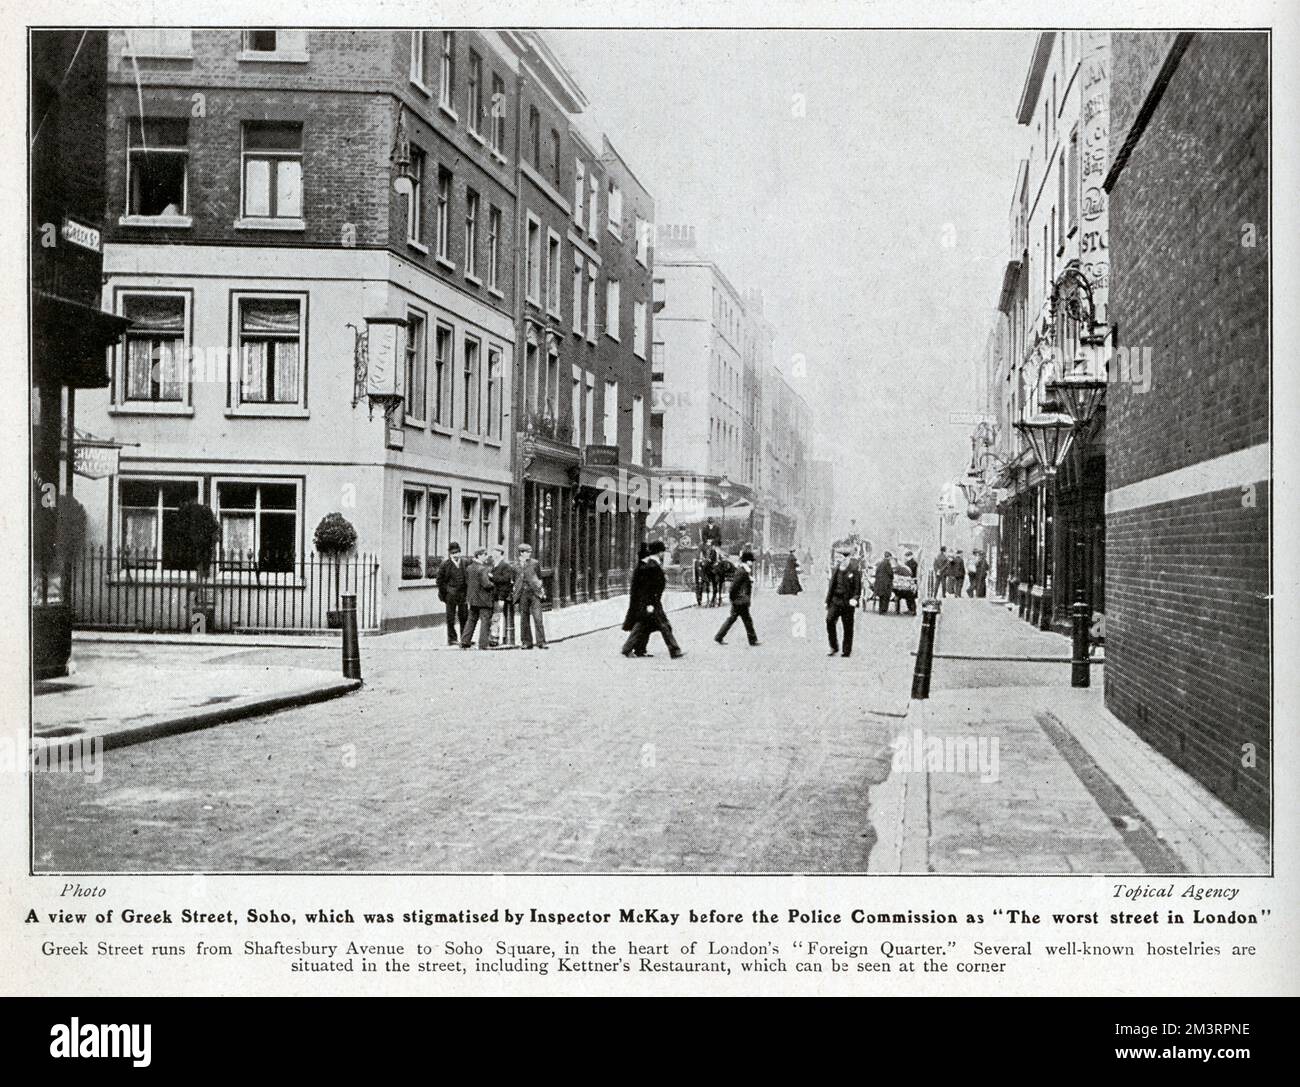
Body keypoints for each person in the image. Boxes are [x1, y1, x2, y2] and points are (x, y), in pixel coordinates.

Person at [621, 540, 685, 659]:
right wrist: (649, 604)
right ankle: (674, 650)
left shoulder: (650, 564)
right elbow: (648, 588)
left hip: (651, 601)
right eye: (662, 552)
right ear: (659, 552)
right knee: (663, 626)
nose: (663, 554)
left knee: (644, 625)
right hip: (652, 602)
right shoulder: (652, 566)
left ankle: (636, 649)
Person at [715, 549, 761, 647]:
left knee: (734, 619)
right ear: (747, 561)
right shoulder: (742, 571)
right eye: (751, 561)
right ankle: (752, 640)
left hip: (740, 600)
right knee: (746, 620)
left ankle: (719, 637)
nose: (752, 563)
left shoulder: (743, 571)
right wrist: (733, 599)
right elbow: (733, 587)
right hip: (740, 601)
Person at [825, 546, 861, 657]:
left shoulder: (854, 570)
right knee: (829, 620)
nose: (837, 559)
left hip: (847, 602)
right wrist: (827, 601)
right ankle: (833, 647)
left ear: (847, 558)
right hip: (835, 601)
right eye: (837, 557)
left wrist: (854, 599)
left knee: (848, 626)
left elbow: (857, 588)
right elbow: (831, 586)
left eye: (840, 557)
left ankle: (846, 650)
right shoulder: (836, 569)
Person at [458, 547, 496, 649]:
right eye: (484, 554)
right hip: (484, 599)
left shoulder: (469, 568)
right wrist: (493, 583)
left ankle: (465, 641)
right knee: (485, 620)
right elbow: (486, 584)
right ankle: (483, 644)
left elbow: (467, 582)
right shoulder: (483, 569)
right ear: (479, 556)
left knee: (471, 620)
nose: (486, 556)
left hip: (472, 598)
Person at [513, 543, 548, 650]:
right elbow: (514, 579)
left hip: (534, 593)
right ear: (521, 553)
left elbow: (539, 577)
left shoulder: (535, 563)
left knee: (538, 618)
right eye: (527, 552)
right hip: (522, 594)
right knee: (524, 618)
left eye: (530, 552)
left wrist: (540, 590)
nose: (529, 554)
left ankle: (541, 642)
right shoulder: (515, 565)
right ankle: (526, 642)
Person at [435, 542, 469, 646]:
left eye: (457, 552)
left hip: (463, 594)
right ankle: (452, 638)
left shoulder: (465, 563)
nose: (456, 555)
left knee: (464, 616)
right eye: (453, 553)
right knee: (450, 617)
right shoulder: (445, 565)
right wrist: (446, 592)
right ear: (450, 554)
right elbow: (439, 581)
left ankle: (464, 637)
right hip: (451, 595)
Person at [489, 545, 515, 646]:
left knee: (497, 616)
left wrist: (492, 576)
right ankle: (493, 637)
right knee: (494, 616)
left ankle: (495, 638)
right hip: (493, 595)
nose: (493, 553)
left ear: (500, 553)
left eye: (495, 551)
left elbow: (506, 580)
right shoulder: (493, 564)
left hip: (501, 595)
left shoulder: (505, 565)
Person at [873, 551, 896, 615]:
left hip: (879, 584)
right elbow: (890, 573)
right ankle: (884, 610)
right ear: (889, 557)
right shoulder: (887, 563)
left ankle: (881, 611)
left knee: (881, 598)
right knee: (886, 598)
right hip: (886, 584)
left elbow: (876, 573)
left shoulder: (880, 563)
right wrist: (892, 577)